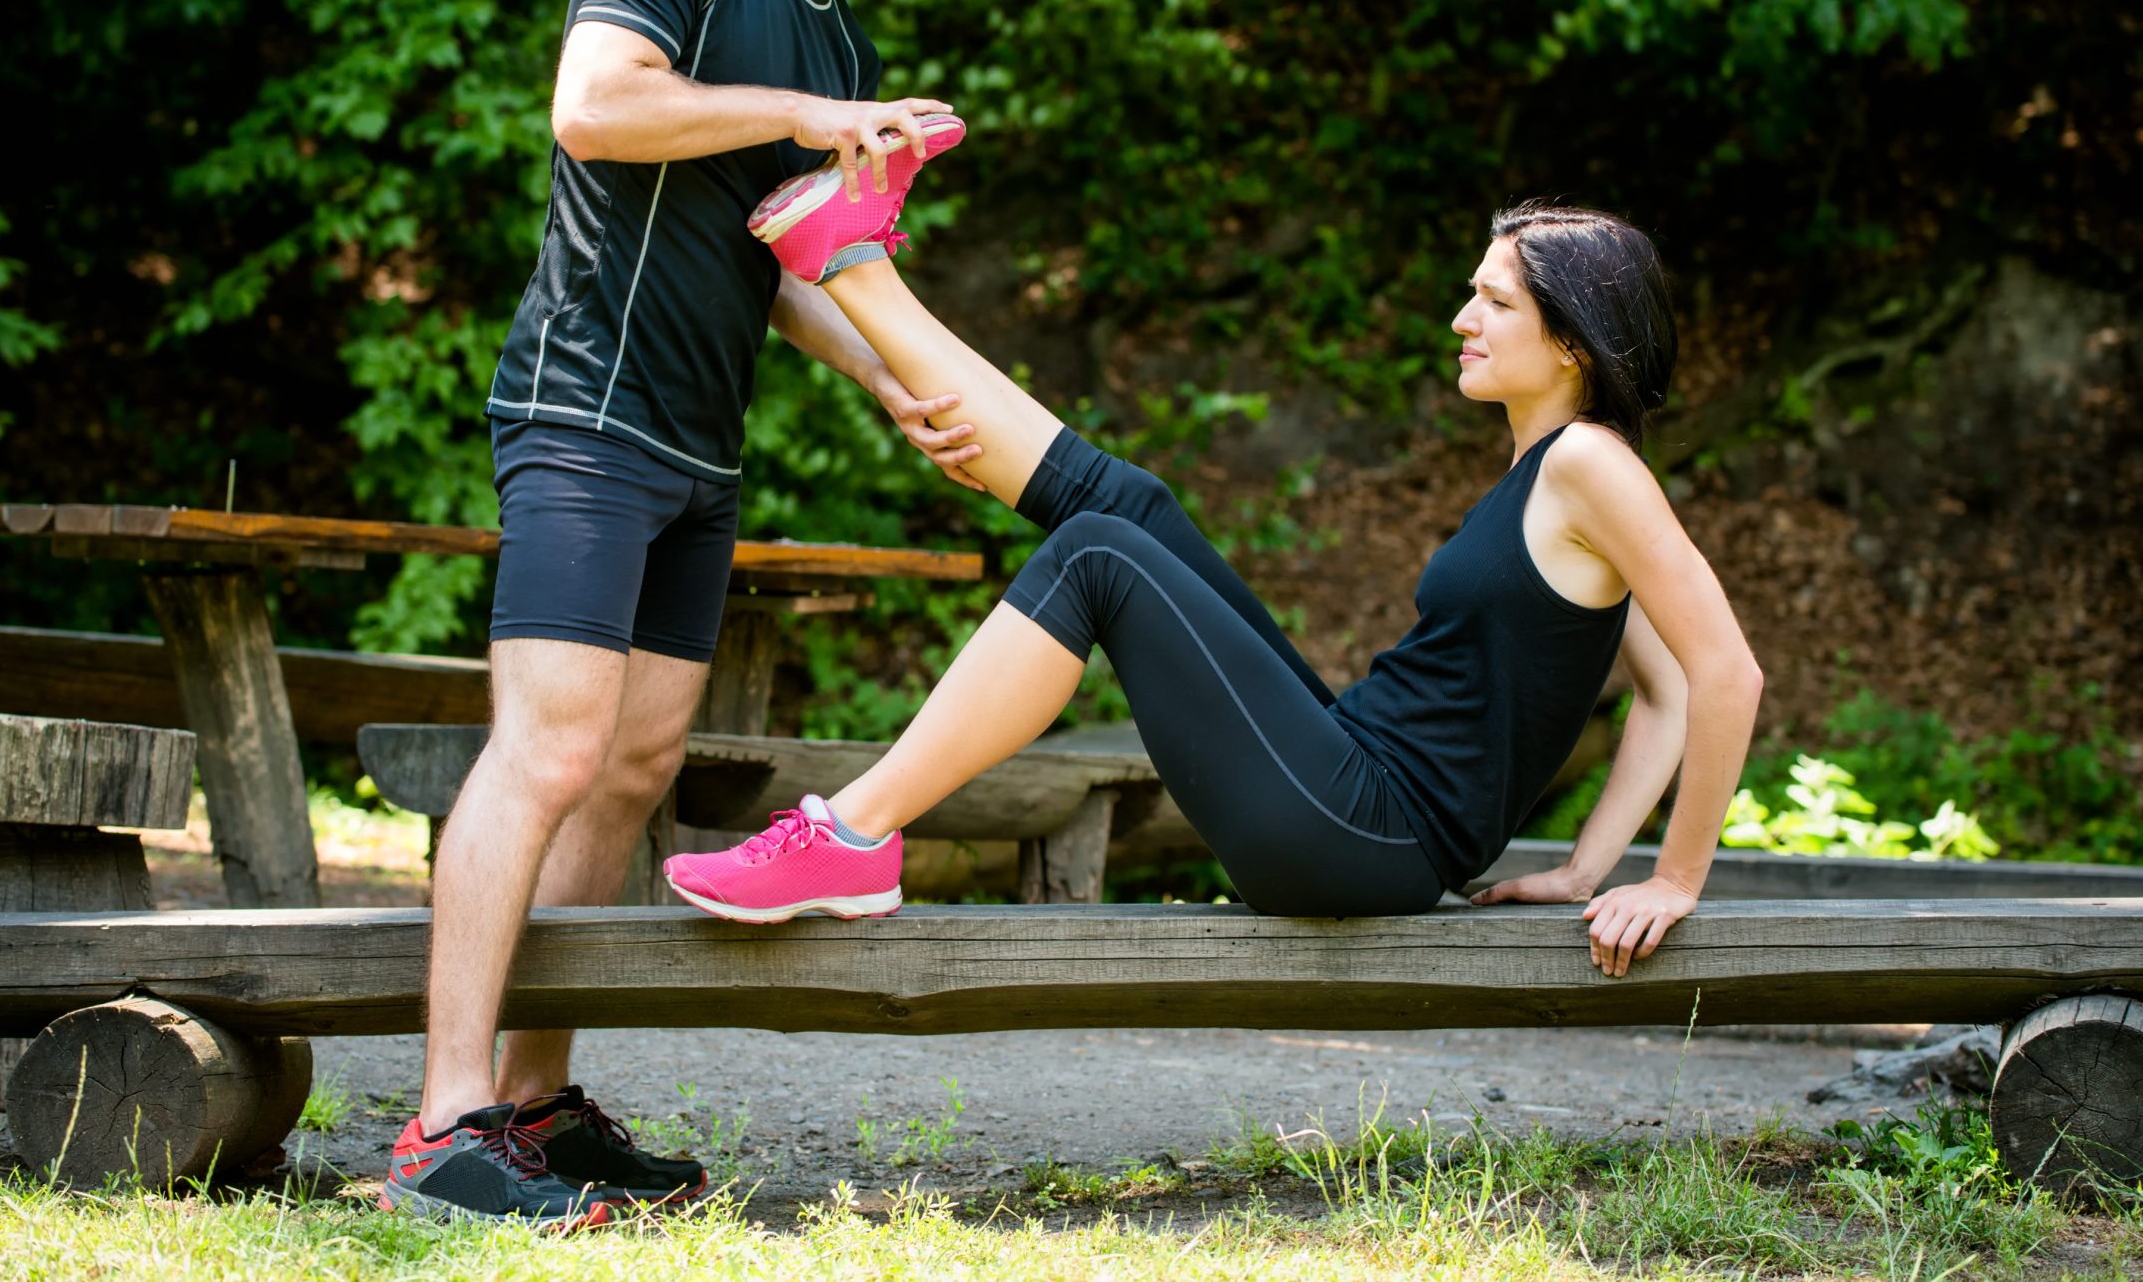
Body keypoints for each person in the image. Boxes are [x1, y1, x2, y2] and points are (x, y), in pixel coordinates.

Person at [384, 0, 1011, 1225]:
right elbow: (595, 107)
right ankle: (441, 1126)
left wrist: (885, 381)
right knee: (548, 749)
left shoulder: (841, 53)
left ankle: (535, 1103)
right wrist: (796, 117)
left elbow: (783, 261)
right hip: (582, 415)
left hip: (699, 445)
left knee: (634, 767)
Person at [668, 183, 1766, 985]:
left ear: (1572, 343)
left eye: (1493, 303)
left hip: (1371, 830)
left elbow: (1723, 673)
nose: (1460, 320)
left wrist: (1672, 878)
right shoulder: (1556, 470)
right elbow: (1662, 690)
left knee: (1100, 557)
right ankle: (858, 267)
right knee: (1126, 506)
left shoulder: (1590, 467)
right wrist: (1581, 868)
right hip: (1357, 791)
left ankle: (853, 837)